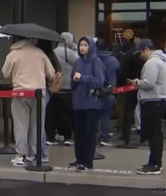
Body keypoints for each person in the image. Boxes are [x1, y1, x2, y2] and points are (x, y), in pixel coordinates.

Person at [2, 36, 55, 167]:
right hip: (39, 93)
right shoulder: (40, 53)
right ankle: (34, 155)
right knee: (37, 125)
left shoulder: (13, 54)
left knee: (21, 126)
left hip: (20, 92)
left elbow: (5, 74)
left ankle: (21, 155)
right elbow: (51, 73)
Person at [129, 39, 166, 175]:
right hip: (160, 98)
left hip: (152, 100)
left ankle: (155, 164)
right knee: (156, 133)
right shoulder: (163, 60)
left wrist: (136, 82)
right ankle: (154, 161)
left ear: (146, 49)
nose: (140, 56)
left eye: (140, 52)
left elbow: (148, 83)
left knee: (153, 134)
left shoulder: (152, 62)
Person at [70, 36, 106, 172]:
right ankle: (79, 159)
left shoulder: (96, 61)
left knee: (89, 133)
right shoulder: (77, 61)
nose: (83, 48)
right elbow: (73, 81)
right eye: (81, 45)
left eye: (85, 45)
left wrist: (82, 78)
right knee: (79, 133)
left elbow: (99, 81)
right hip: (78, 102)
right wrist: (74, 80)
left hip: (92, 102)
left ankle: (87, 161)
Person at [50, 32, 78, 146]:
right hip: (68, 86)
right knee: (68, 113)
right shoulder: (68, 52)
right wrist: (75, 48)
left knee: (56, 113)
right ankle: (67, 136)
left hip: (55, 86)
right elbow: (79, 62)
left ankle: (57, 134)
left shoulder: (54, 52)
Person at [97, 38, 120, 147]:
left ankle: (96, 136)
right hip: (110, 90)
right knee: (106, 116)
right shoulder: (113, 60)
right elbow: (119, 71)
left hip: (96, 90)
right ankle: (104, 137)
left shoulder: (93, 59)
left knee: (95, 116)